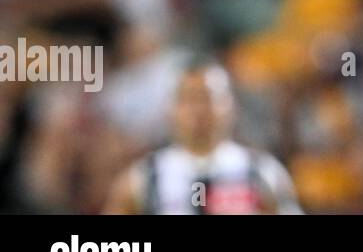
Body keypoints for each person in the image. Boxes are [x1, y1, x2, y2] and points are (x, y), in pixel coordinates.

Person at [103, 61, 301, 215]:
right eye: (188, 98)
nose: (198, 110)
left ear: (231, 105)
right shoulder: (142, 179)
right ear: (170, 109)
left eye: (208, 97)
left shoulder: (263, 172)